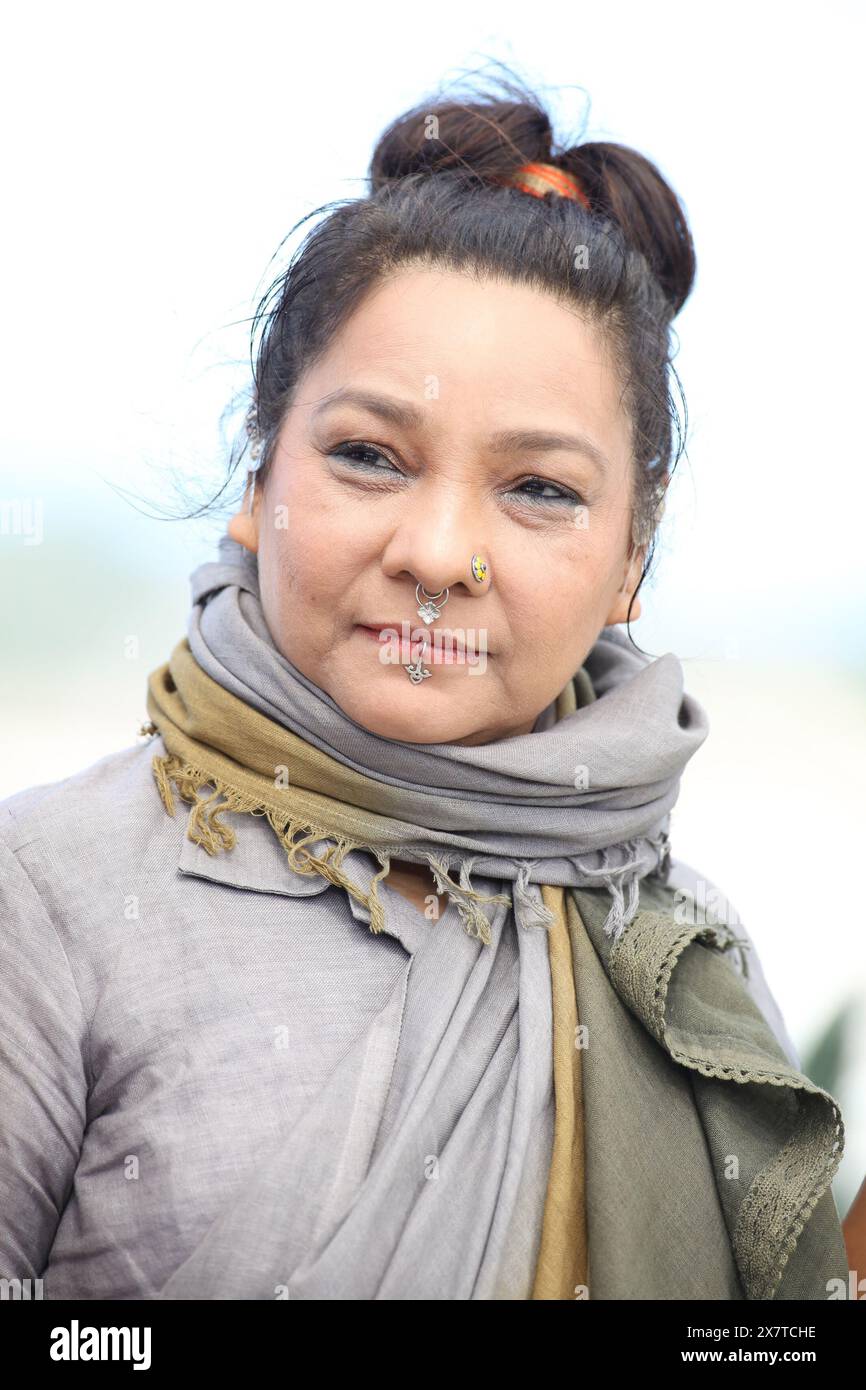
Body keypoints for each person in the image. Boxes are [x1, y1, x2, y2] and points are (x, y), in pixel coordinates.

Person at [0, 73, 852, 1300]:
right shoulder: (51, 899)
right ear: (258, 473)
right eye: (367, 456)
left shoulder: (682, 965)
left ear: (630, 559)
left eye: (539, 490)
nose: (439, 553)